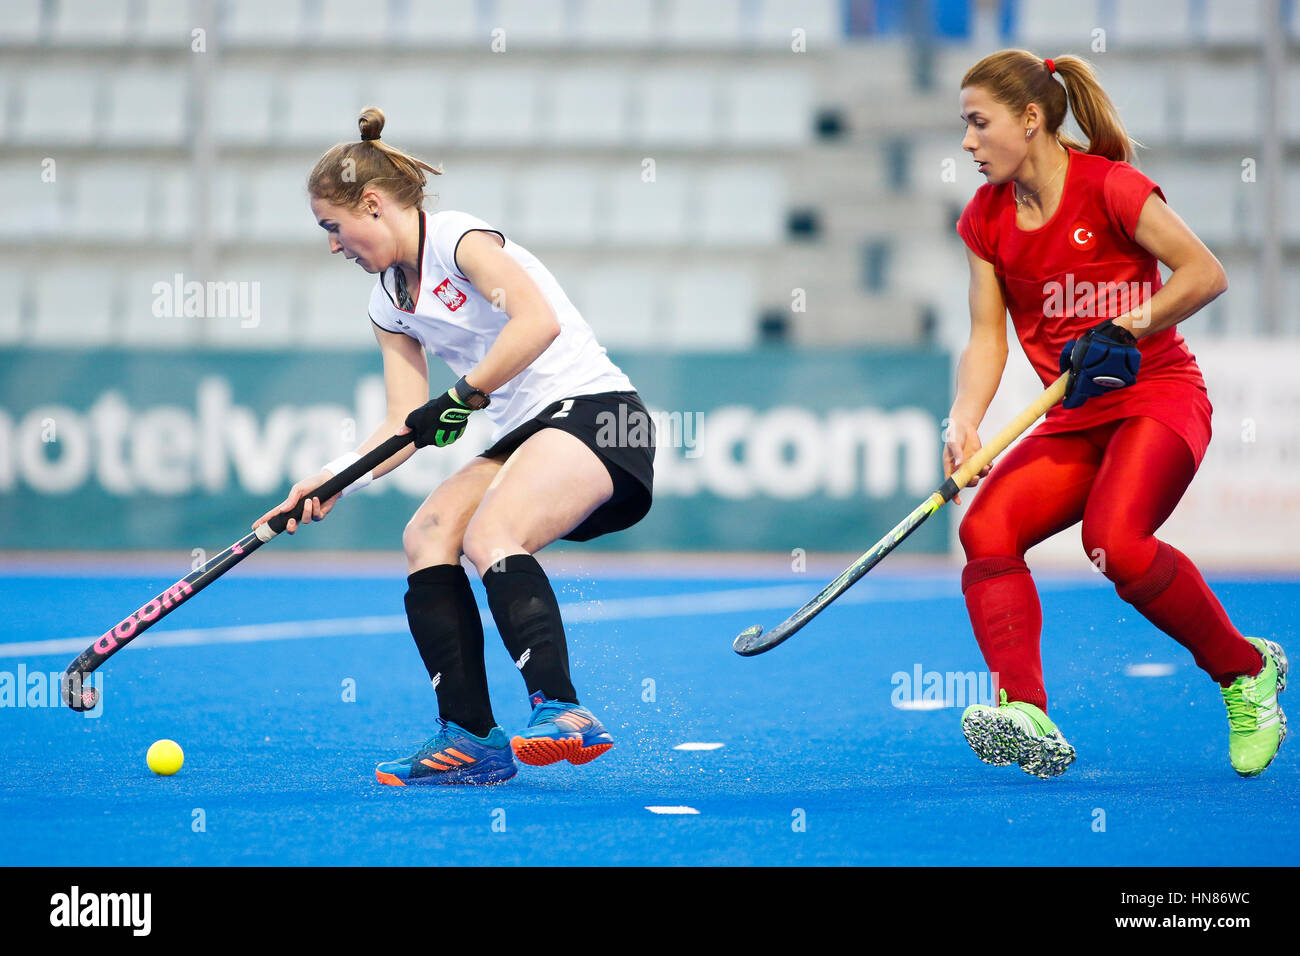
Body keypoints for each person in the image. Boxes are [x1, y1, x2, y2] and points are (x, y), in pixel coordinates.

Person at [255, 107, 655, 786]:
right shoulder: (389, 302)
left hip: (600, 417)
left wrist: (464, 395)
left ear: (372, 204)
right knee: (429, 532)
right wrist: (327, 482)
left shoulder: (459, 240)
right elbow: (399, 426)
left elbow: (537, 323)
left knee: (492, 532)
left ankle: (564, 710)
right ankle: (471, 735)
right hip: (530, 430)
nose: (332, 245)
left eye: (332, 227)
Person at [947, 51, 1285, 779]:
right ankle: (1026, 712)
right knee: (986, 528)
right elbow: (985, 338)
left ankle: (1243, 673)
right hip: (1077, 420)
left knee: (1116, 542)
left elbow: (1205, 274)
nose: (968, 143)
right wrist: (965, 420)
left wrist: (1131, 323)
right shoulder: (984, 221)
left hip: (1160, 400)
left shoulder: (1110, 188)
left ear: (1030, 119)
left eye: (979, 124)